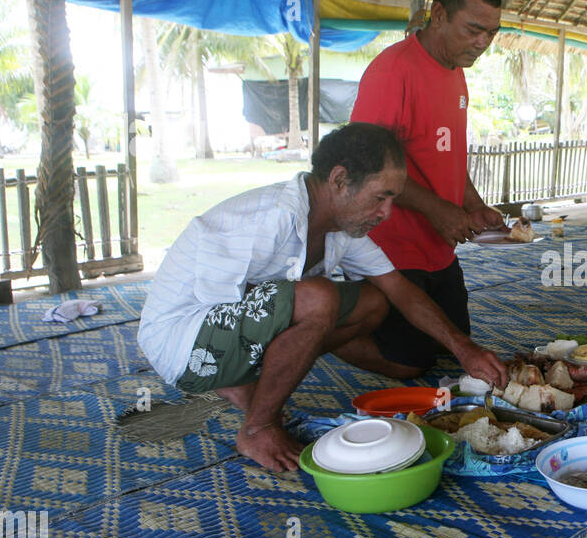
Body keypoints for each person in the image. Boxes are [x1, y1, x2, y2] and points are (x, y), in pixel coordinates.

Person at [138, 123, 507, 472]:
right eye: (381, 197)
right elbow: (217, 307)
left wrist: (464, 349)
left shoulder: (341, 230)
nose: (387, 212)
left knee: (373, 301)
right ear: (340, 180)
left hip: (229, 337)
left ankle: (249, 386)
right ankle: (256, 429)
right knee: (318, 299)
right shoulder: (268, 219)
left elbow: (398, 289)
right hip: (184, 345)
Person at [350, 0, 504, 377]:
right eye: (474, 29)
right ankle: (324, 336)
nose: (483, 42)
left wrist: (474, 205)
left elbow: (447, 156)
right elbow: (371, 164)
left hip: (437, 248)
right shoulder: (393, 70)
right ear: (438, 15)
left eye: (492, 33)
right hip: (392, 244)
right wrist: (437, 209)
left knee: (455, 351)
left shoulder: (456, 73)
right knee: (410, 365)